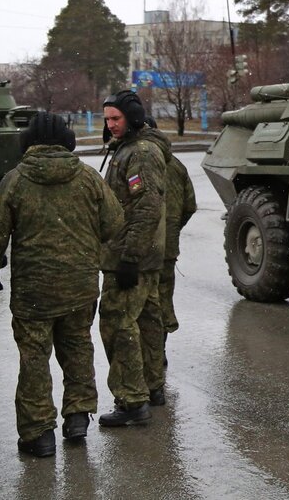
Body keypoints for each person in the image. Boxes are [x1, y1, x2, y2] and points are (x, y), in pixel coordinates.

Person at [0, 112, 124, 458]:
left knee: (34, 359)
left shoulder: (14, 181)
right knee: (77, 350)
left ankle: (39, 434)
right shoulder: (88, 178)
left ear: (28, 142)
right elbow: (115, 224)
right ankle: (77, 418)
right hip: (80, 286)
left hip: (34, 293)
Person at [98, 90, 166, 426]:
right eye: (107, 119)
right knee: (147, 321)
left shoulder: (138, 153)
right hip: (145, 255)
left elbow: (147, 206)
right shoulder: (130, 148)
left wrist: (129, 257)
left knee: (117, 323)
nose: (110, 125)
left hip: (131, 256)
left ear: (133, 118)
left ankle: (131, 401)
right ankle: (152, 388)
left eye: (116, 119)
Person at [143, 120, 196, 373]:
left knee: (142, 302)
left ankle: (145, 356)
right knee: (163, 299)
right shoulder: (178, 166)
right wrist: (173, 228)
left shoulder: (138, 161)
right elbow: (190, 206)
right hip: (168, 249)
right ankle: (159, 353)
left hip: (141, 248)